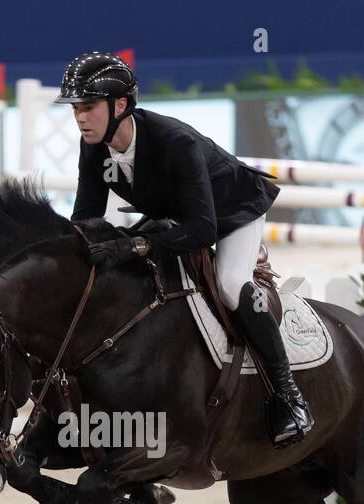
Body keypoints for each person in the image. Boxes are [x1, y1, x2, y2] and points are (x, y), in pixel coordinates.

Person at [56, 51, 315, 449]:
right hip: (175, 217)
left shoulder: (175, 142)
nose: (80, 118)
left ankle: (289, 396)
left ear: (119, 104)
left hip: (230, 214)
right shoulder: (94, 146)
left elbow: (202, 229)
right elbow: (86, 218)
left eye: (88, 107)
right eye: (76, 109)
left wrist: (137, 243)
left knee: (231, 285)